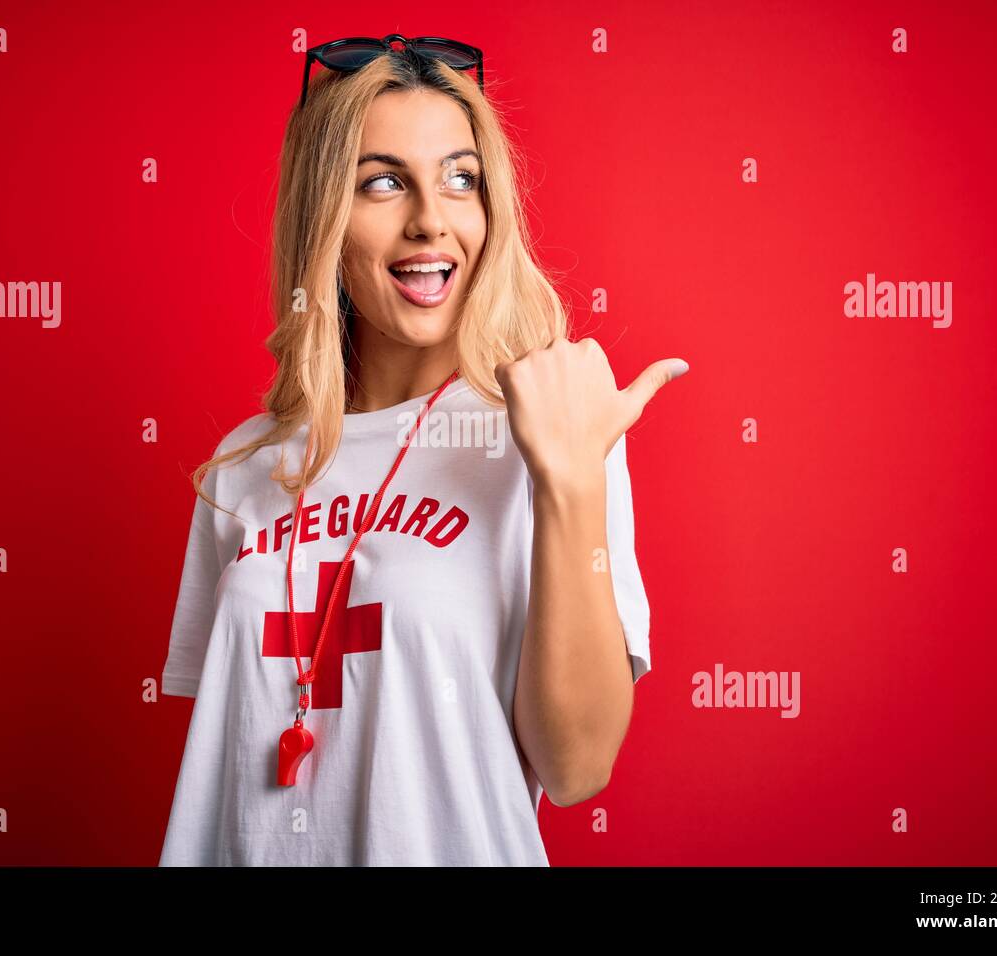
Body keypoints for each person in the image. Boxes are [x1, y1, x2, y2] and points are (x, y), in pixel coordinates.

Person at [158, 35, 688, 866]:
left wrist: (570, 477)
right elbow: (227, 757)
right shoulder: (245, 465)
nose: (430, 219)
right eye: (382, 181)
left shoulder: (547, 434)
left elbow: (577, 768)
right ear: (323, 215)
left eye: (460, 179)